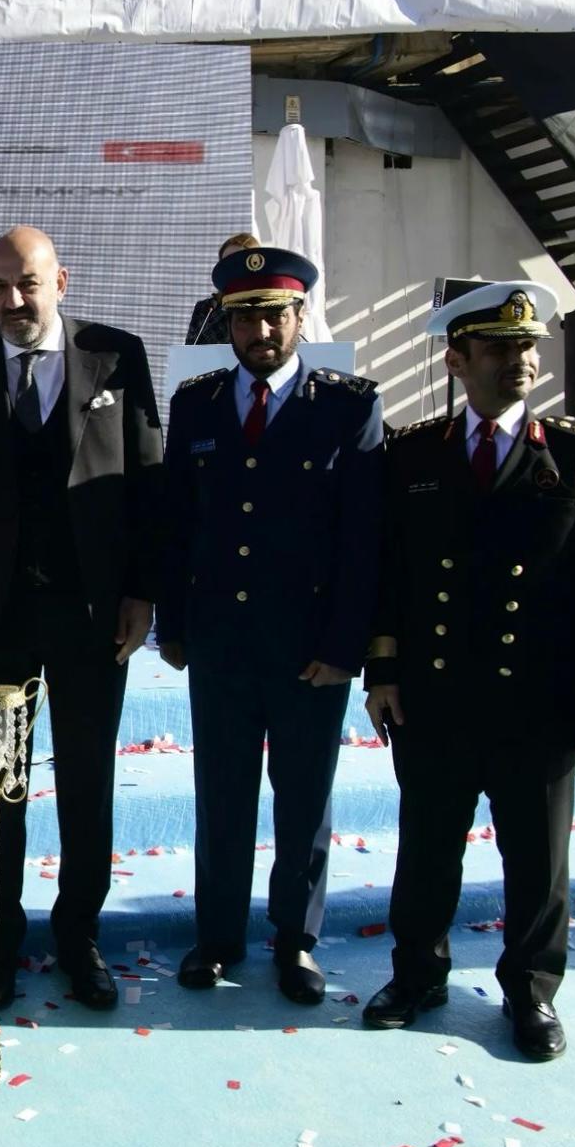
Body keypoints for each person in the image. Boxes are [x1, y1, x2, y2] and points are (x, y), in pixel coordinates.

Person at [362, 279, 575, 1060]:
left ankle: (531, 992)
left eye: (529, 347)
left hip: (537, 701)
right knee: (428, 846)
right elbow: (389, 571)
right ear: (457, 359)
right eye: (501, 349)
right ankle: (418, 974)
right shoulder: (413, 455)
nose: (522, 362)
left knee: (537, 860)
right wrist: (384, 671)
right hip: (437, 694)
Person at [0, 226, 164, 1012]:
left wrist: (142, 591)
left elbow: (146, 483)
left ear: (62, 278)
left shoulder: (117, 356)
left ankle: (79, 934)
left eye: (26, 283)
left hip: (93, 613)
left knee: (89, 779)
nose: (13, 301)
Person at [157, 246, 384, 1004]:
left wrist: (343, 646)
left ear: (300, 317)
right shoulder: (197, 402)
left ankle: (297, 941)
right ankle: (217, 937)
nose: (259, 329)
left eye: (273, 313)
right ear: (227, 323)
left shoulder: (350, 406)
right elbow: (178, 524)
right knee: (221, 794)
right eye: (244, 315)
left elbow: (362, 541)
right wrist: (173, 624)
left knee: (303, 799)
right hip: (221, 638)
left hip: (306, 649)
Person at [185, 232, 260, 345]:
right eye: (226, 263)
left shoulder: (268, 306)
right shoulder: (206, 308)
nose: (231, 268)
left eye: (237, 262)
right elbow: (189, 351)